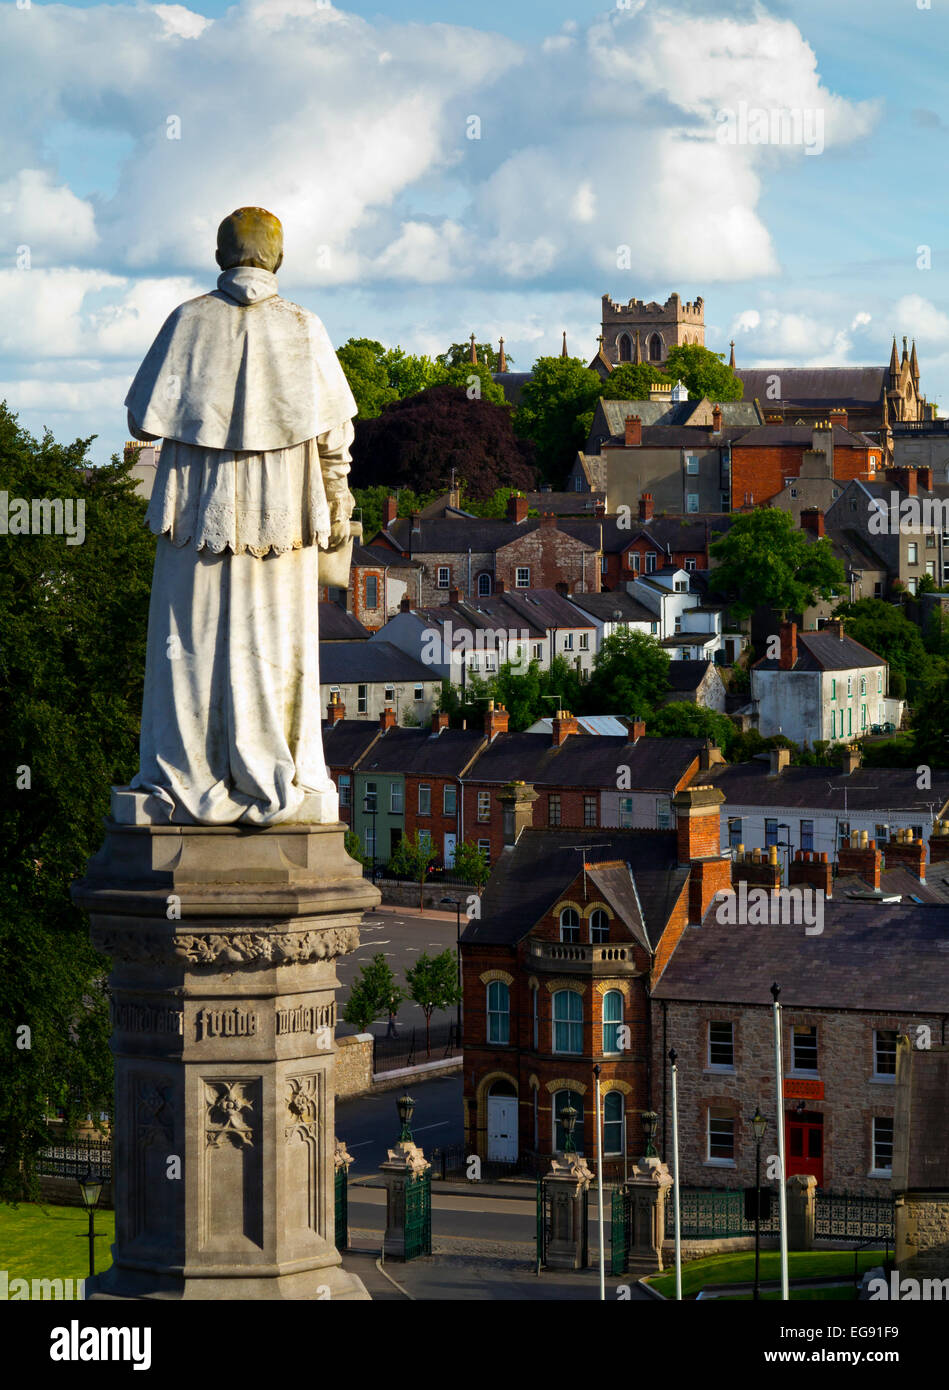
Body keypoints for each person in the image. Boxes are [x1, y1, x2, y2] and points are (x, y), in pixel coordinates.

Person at [125, 206, 356, 825]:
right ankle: (276, 766)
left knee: (190, 644)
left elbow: (141, 415)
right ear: (276, 259)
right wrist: (338, 503)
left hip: (198, 512)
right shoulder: (305, 328)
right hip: (281, 518)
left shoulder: (188, 323)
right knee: (275, 644)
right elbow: (335, 439)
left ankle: (186, 769)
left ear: (222, 254)